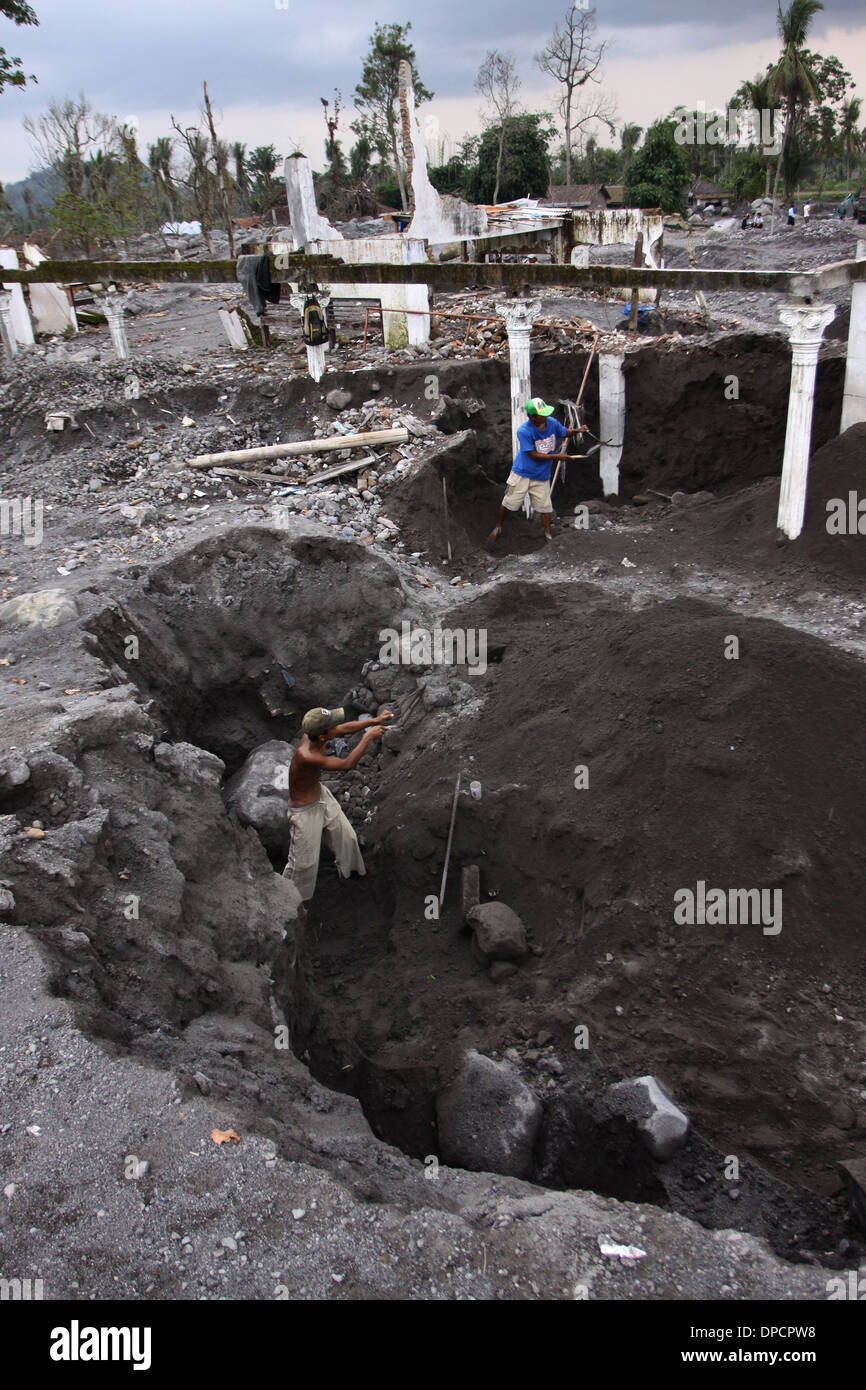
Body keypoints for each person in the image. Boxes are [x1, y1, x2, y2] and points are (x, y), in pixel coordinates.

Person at [282, 705, 392, 901]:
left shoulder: (318, 735)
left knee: (347, 837)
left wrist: (373, 721)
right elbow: (346, 765)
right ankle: (291, 902)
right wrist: (367, 737)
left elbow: (345, 728)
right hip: (304, 811)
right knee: (304, 864)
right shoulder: (306, 755)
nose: (337, 727)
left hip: (320, 795)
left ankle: (349, 874)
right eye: (333, 725)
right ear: (323, 735)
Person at [488, 397, 587, 544]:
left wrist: (577, 430)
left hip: (541, 475)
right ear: (532, 417)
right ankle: (498, 526)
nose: (546, 416)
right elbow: (532, 454)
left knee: (545, 507)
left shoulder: (551, 423)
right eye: (542, 414)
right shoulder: (524, 431)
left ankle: (548, 535)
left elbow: (564, 432)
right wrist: (556, 456)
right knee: (510, 502)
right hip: (522, 473)